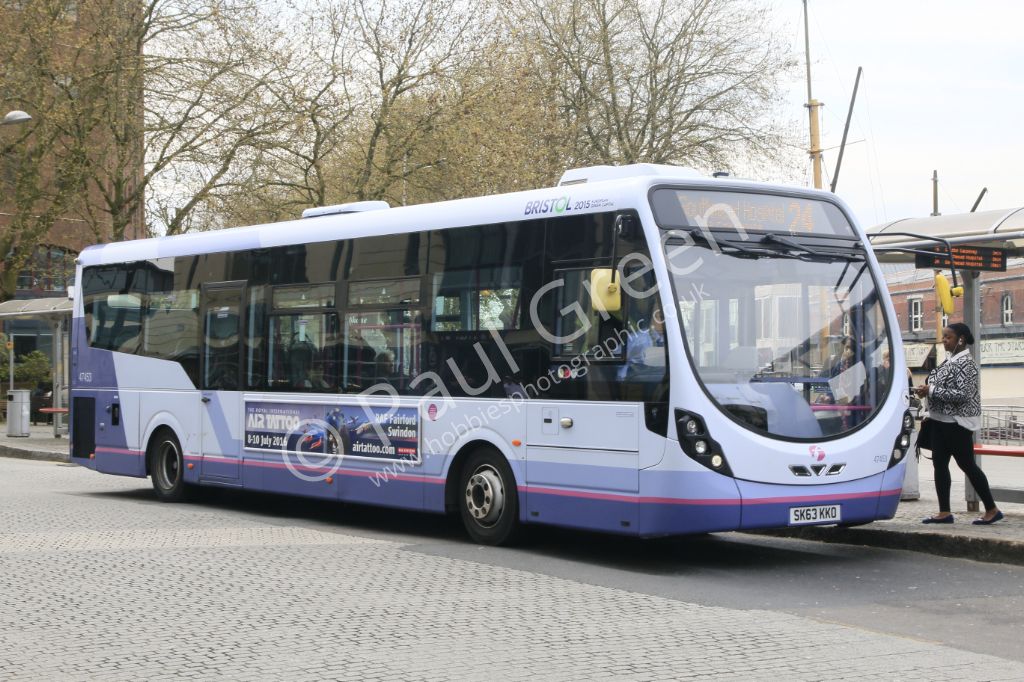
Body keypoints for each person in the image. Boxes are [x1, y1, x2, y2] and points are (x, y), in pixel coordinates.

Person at [913, 322, 1003, 525]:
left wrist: (931, 390)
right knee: (939, 464)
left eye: (948, 337)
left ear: (960, 340)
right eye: (944, 336)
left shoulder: (967, 364)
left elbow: (963, 395)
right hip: (939, 421)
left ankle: (992, 509)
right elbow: (939, 387)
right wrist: (926, 390)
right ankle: (944, 512)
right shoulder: (949, 360)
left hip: (957, 424)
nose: (944, 340)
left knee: (967, 465)